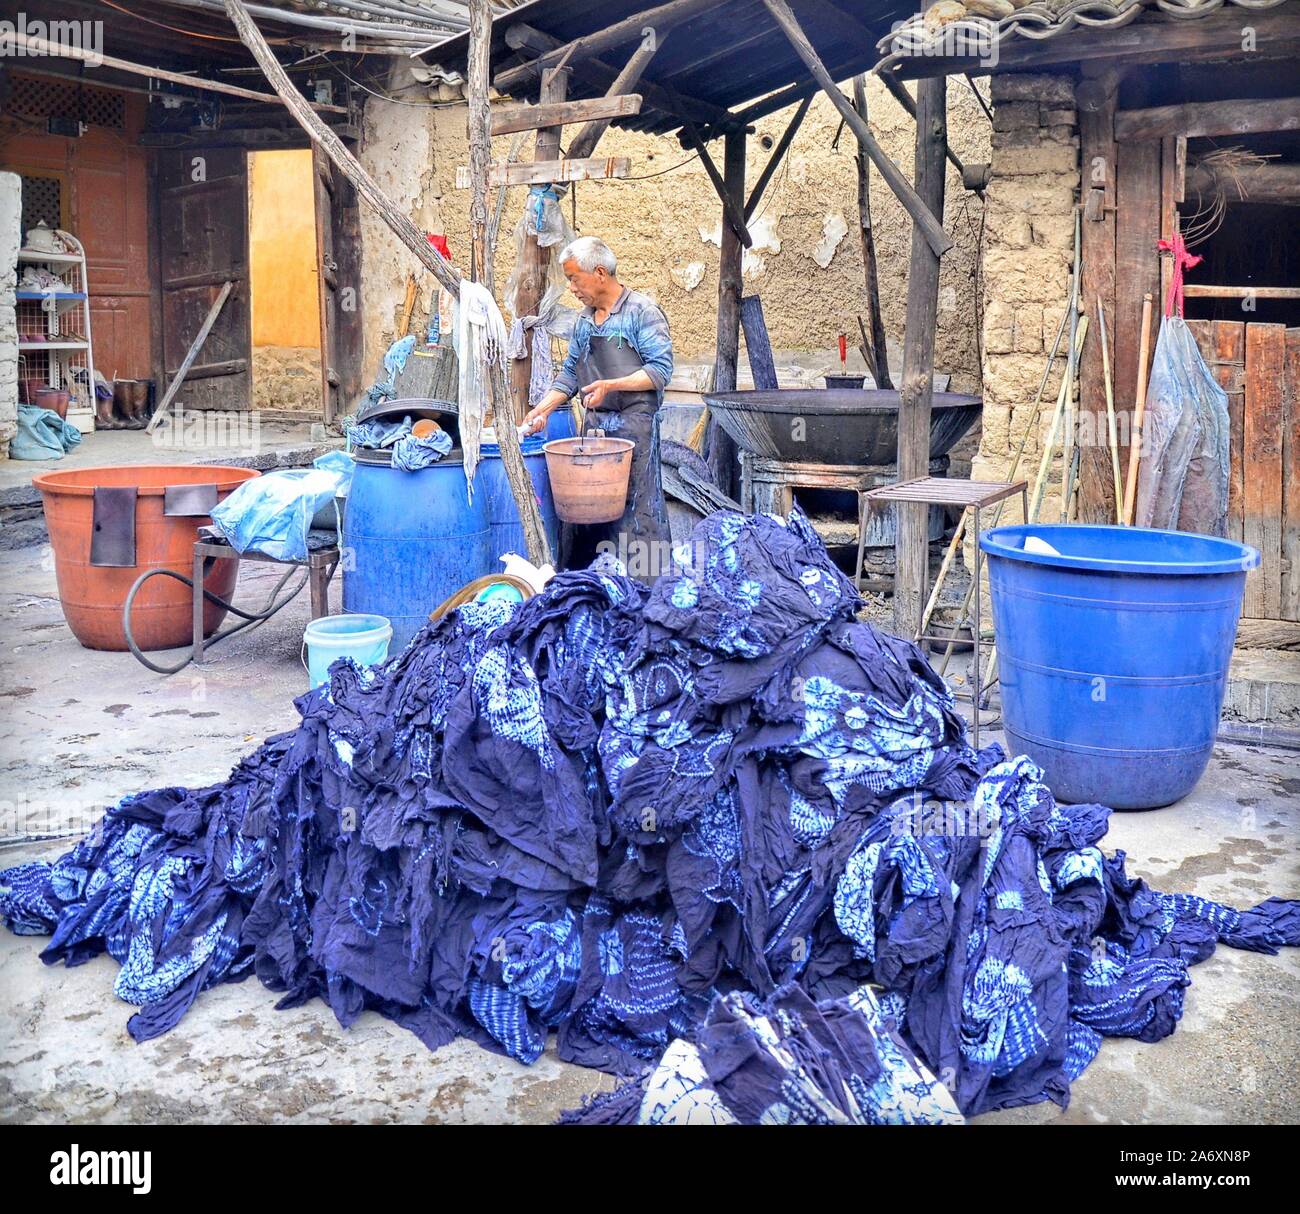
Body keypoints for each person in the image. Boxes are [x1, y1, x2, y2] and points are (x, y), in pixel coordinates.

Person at [522, 236, 673, 579]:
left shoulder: (641, 312)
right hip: (594, 429)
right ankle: (583, 585)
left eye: (575, 279)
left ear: (600, 273)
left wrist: (611, 385)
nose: (572, 288)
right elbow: (570, 373)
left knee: (638, 511)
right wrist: (543, 409)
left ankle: (647, 586)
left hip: (635, 429)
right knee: (584, 517)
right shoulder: (586, 321)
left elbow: (660, 371)